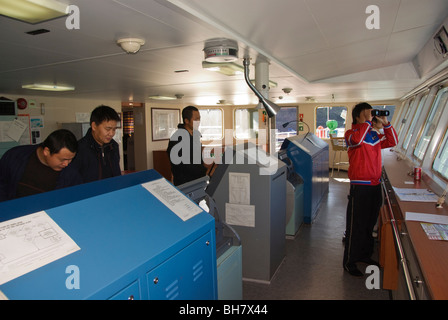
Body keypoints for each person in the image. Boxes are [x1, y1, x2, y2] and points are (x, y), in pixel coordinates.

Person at [343, 102, 398, 276]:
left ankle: (364, 255)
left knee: (369, 224)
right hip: (360, 187)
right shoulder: (351, 134)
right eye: (369, 113)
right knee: (356, 226)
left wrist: (386, 123)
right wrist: (367, 122)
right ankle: (349, 262)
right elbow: (358, 139)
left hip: (375, 185)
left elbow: (393, 141)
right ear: (360, 115)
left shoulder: (373, 136)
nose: (372, 116)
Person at [0, 129, 82, 201]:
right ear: (46, 151)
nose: (66, 164)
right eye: (63, 159)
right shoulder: (15, 156)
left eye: (70, 159)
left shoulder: (71, 174)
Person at [72, 105, 121, 183]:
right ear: (94, 126)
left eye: (114, 129)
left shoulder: (113, 146)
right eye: (107, 129)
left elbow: (116, 174)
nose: (111, 133)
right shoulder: (80, 149)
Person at [167, 106, 210, 186]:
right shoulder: (177, 138)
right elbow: (184, 165)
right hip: (185, 183)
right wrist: (205, 171)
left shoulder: (195, 136)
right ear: (186, 120)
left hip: (198, 180)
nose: (198, 122)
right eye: (196, 119)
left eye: (199, 118)